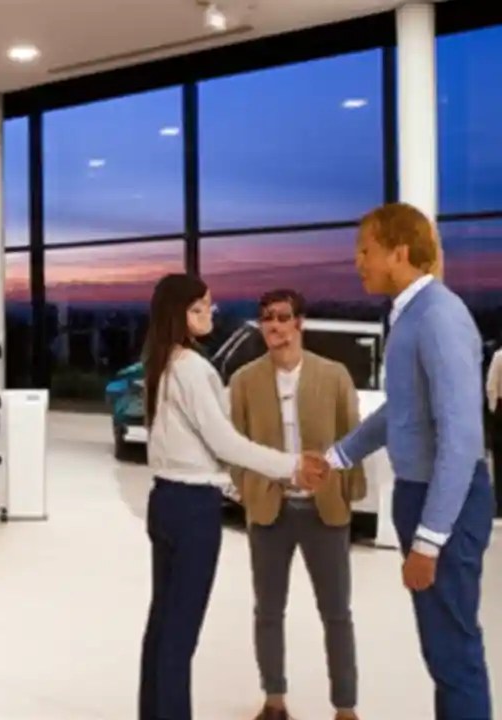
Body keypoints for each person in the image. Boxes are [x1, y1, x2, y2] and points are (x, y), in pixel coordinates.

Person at [303, 202, 493, 719]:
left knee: (452, 653)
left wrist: (429, 540)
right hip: (419, 494)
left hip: (443, 502)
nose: (358, 262)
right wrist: (338, 455)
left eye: (365, 250)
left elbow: (461, 438)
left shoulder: (438, 317)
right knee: (442, 650)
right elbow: (403, 409)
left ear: (399, 253)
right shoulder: (410, 315)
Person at [138, 273, 309, 720]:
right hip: (192, 510)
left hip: (164, 501)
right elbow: (225, 442)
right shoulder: (193, 368)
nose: (210, 313)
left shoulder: (161, 363)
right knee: (180, 637)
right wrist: (290, 465)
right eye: (201, 307)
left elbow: (189, 446)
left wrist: (233, 482)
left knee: (162, 628)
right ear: (182, 314)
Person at [228, 289, 366, 720]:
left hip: (325, 510)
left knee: (337, 613)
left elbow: (352, 436)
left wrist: (347, 495)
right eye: (266, 318)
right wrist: (246, 490)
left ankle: (345, 707)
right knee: (268, 611)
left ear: (299, 322)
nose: (274, 325)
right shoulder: (244, 380)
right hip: (269, 510)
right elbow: (236, 445)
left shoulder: (334, 375)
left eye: (282, 316)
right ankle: (274, 701)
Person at [488, 345, 501, 514]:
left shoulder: (499, 356)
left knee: (499, 461)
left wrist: (494, 409)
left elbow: (491, 386)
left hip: (500, 408)